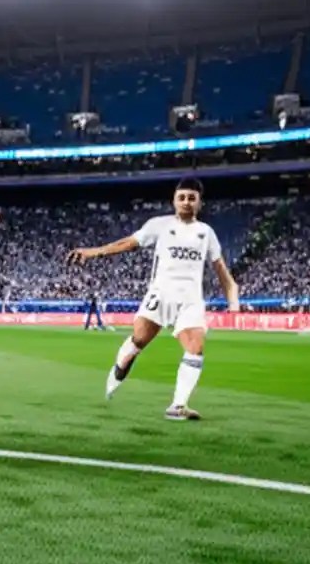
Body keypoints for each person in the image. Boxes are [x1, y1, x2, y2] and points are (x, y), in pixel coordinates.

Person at [67, 178, 240, 421]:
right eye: (182, 197)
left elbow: (223, 272)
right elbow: (128, 243)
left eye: (192, 198)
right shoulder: (159, 225)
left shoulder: (206, 233)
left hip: (190, 300)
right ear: (174, 200)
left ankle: (178, 406)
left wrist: (233, 301)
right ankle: (119, 370)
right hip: (160, 295)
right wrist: (94, 252)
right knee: (137, 343)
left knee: (196, 347)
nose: (186, 202)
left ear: (200, 202)